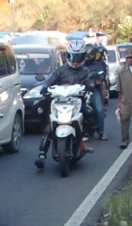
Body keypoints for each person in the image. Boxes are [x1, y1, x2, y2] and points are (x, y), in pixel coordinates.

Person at [34, 37, 94, 169]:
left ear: (84, 57)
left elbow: (90, 81)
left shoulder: (86, 71)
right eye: (73, 56)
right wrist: (45, 87)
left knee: (90, 112)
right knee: (49, 124)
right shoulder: (61, 70)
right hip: (59, 101)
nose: (75, 60)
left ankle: (84, 138)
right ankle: (42, 153)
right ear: (68, 55)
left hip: (78, 100)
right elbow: (50, 80)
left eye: (78, 57)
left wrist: (90, 86)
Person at [85, 43, 110, 141]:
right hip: (80, 90)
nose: (88, 57)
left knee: (99, 109)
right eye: (86, 55)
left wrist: (96, 81)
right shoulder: (80, 64)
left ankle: (101, 132)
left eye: (90, 55)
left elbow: (101, 77)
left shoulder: (100, 64)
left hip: (93, 90)